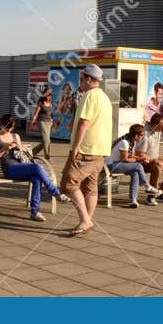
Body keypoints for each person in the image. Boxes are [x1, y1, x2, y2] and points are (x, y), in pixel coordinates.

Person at [60, 65, 111, 237]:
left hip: (86, 149)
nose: (79, 82)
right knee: (90, 187)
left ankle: (85, 220)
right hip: (101, 149)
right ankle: (86, 221)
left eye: (81, 79)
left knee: (68, 183)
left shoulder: (89, 96)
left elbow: (84, 123)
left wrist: (76, 147)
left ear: (89, 79)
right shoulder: (104, 97)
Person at [0, 114, 64, 221]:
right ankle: (55, 193)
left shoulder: (15, 136)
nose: (7, 129)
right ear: (1, 125)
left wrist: (19, 148)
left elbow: (22, 155)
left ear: (13, 127)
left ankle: (35, 212)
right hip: (10, 170)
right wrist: (4, 148)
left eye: (10, 127)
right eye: (6, 126)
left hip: (21, 166)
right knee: (37, 167)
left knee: (37, 179)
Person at [109, 124, 157, 208]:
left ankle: (133, 200)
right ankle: (147, 187)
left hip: (119, 163)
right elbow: (125, 159)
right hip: (112, 165)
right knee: (138, 166)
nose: (142, 137)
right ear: (136, 135)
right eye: (141, 135)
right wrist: (139, 160)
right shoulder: (124, 142)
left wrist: (141, 158)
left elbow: (130, 156)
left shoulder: (131, 141)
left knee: (135, 172)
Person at [30, 92, 53, 160]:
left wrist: (51, 121)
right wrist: (31, 124)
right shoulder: (41, 103)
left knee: (47, 141)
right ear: (45, 95)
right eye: (48, 95)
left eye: (51, 95)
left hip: (48, 123)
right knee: (46, 140)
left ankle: (32, 152)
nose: (50, 97)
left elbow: (50, 114)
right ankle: (47, 156)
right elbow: (36, 114)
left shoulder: (50, 103)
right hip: (41, 122)